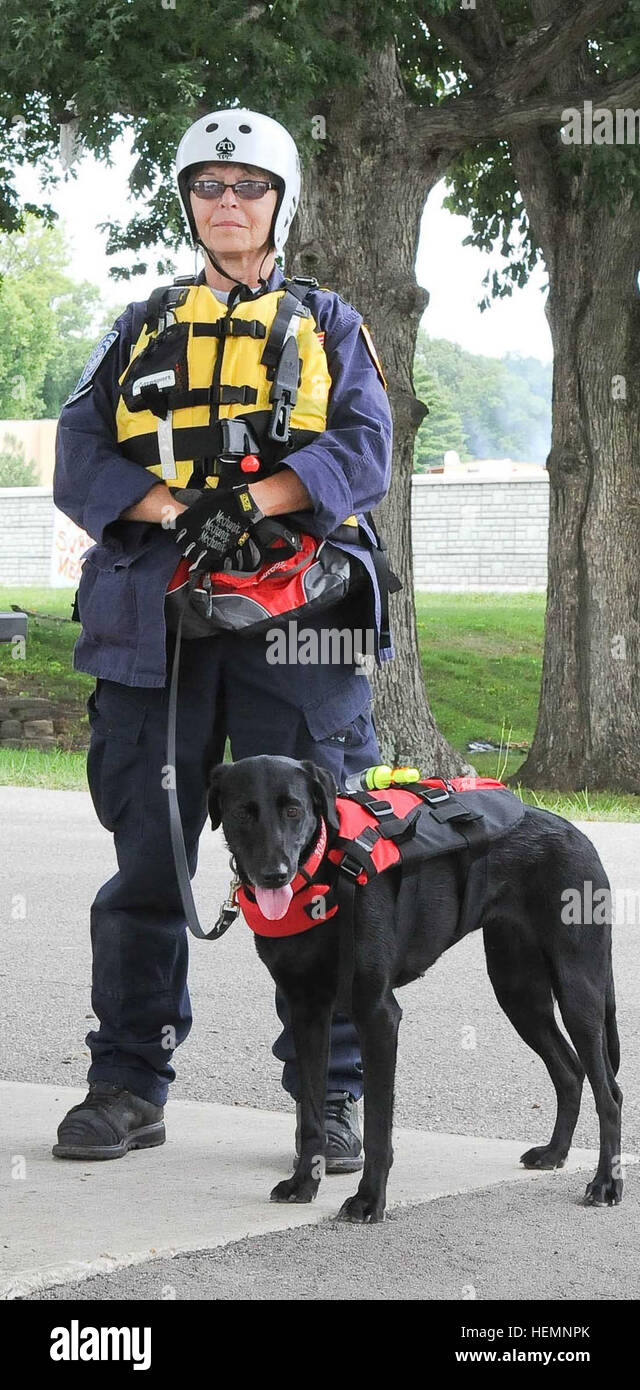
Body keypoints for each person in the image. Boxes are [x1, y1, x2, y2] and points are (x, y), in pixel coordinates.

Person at [52, 109, 394, 1168]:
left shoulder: (329, 324)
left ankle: (331, 1090)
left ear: (279, 202)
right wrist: (175, 511)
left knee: (320, 864)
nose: (227, 203)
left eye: (247, 186)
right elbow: (78, 452)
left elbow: (367, 445)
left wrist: (258, 502)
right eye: (208, 187)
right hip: (157, 629)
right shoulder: (139, 323)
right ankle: (128, 1083)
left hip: (296, 629)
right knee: (149, 867)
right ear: (190, 206)